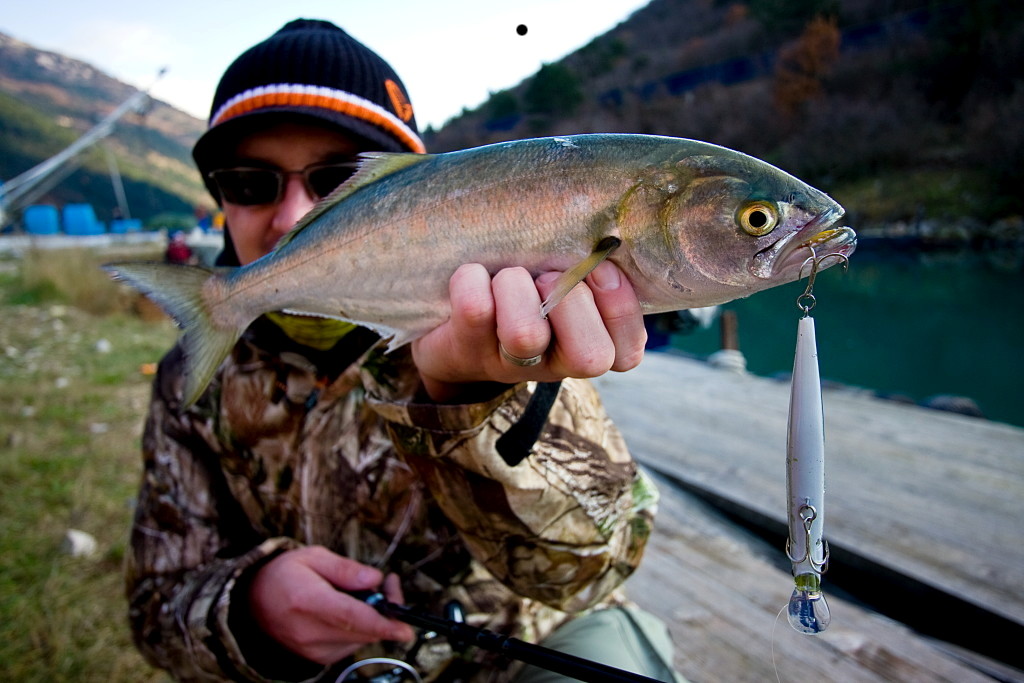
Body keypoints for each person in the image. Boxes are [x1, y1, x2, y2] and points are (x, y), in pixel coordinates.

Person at [125, 19, 680, 683]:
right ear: (219, 198)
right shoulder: (192, 382)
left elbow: (589, 570)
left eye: (335, 179)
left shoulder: (521, 325)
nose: (290, 215)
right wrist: (251, 610)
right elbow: (156, 604)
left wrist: (470, 399)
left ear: (425, 198)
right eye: (250, 182)